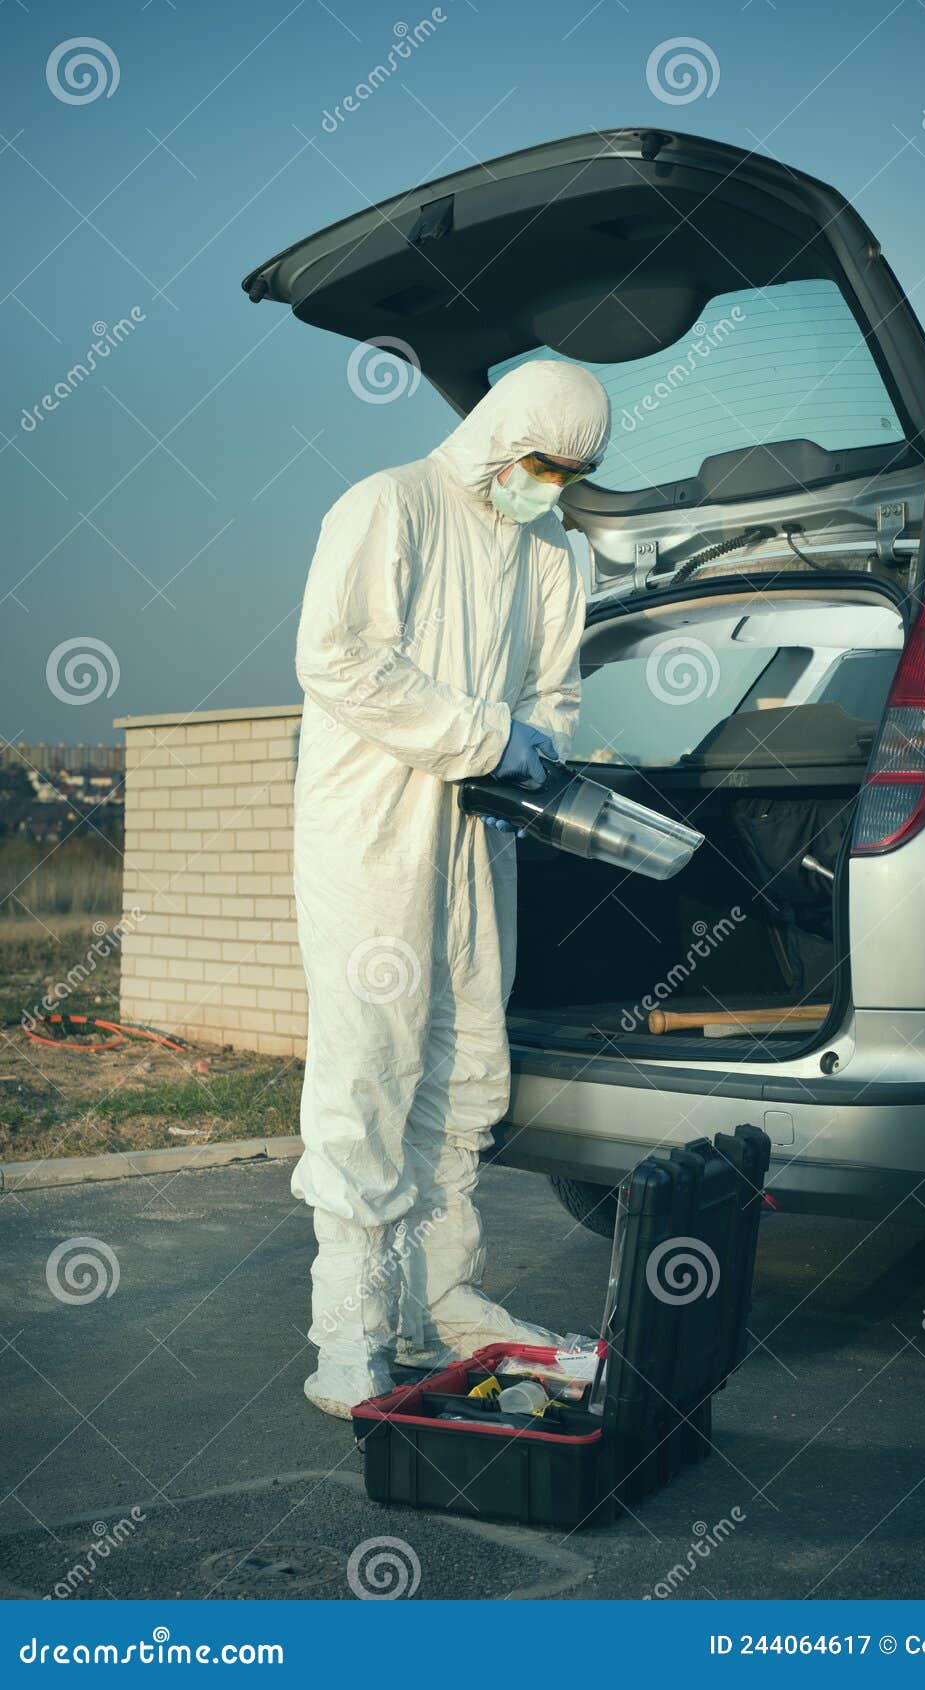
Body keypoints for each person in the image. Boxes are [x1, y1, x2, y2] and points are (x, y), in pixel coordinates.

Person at [292, 358, 612, 1417]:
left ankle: (448, 1295)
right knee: (370, 1072)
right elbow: (336, 659)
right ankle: (351, 1338)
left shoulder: (549, 553)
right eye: (536, 461)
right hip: (372, 832)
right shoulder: (387, 505)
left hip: (476, 832)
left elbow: (552, 692)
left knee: (468, 1063)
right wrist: (487, 738)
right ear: (496, 433)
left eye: (565, 473)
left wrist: (535, 749)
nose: (545, 483)